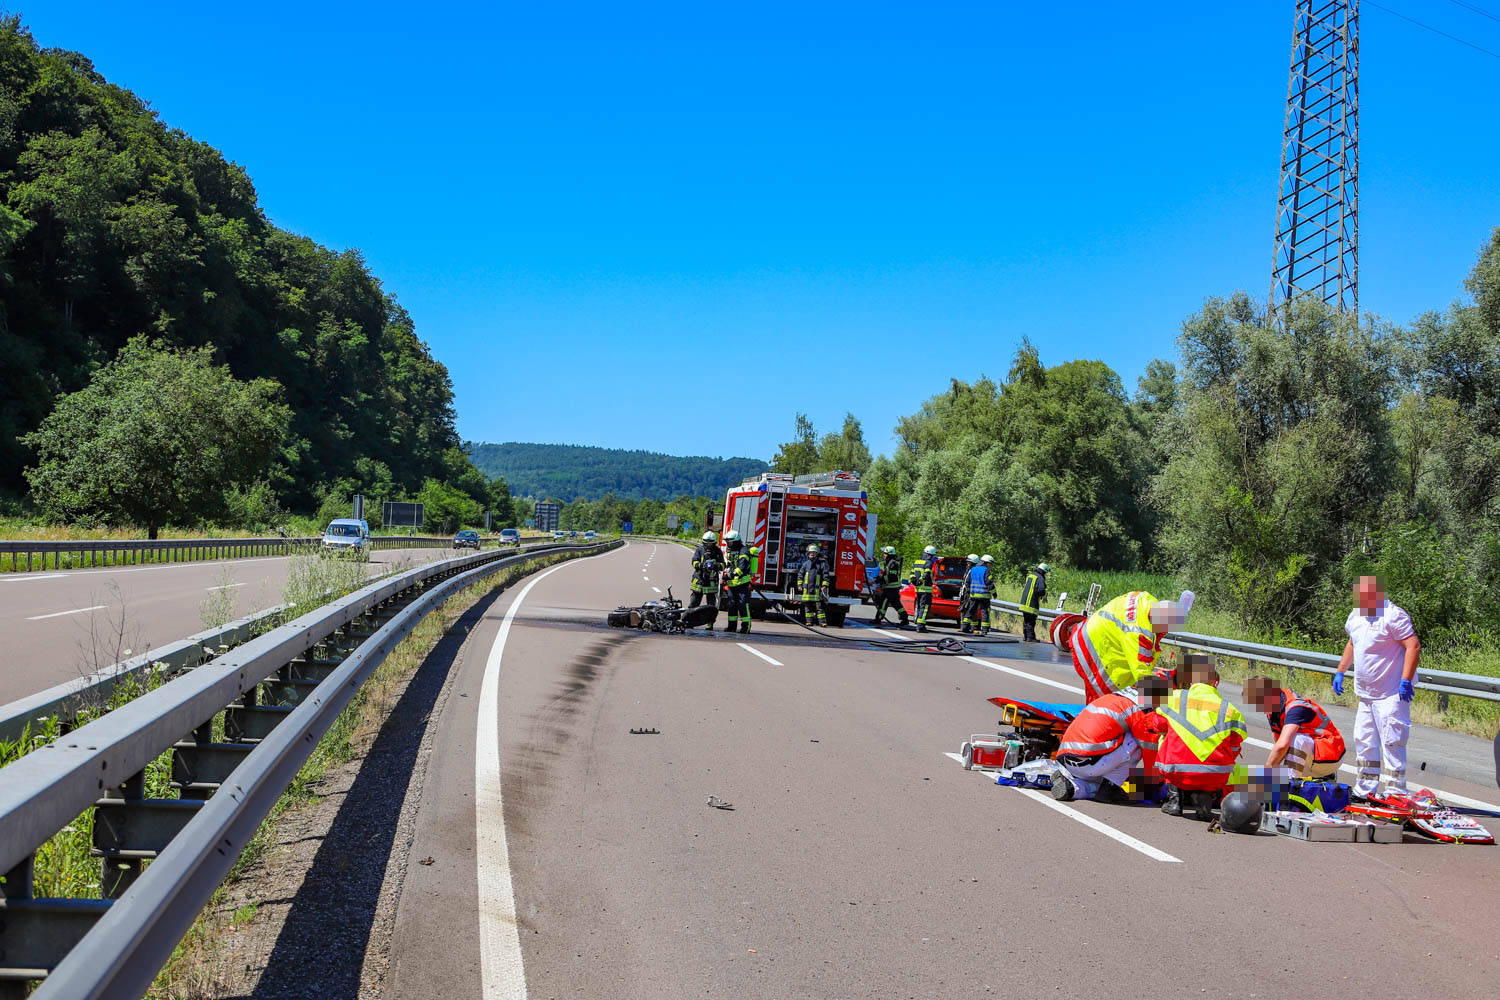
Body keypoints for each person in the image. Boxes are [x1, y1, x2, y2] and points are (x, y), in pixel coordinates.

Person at [1334, 575, 1420, 798]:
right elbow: (1352, 643)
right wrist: (1341, 671)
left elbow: (1413, 646)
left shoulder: (1393, 615)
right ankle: (1365, 788)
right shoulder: (1357, 615)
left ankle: (1395, 791)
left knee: (1392, 741)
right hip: (1366, 693)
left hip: (1391, 692)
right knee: (1363, 739)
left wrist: (1406, 680)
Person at [1053, 675, 1170, 803]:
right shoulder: (1140, 709)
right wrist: (1157, 785)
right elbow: (1150, 753)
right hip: (1090, 763)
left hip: (1069, 759)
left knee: (1097, 783)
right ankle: (1110, 789)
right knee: (1137, 739)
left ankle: (1073, 787)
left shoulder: (1114, 697)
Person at [1157, 654, 1246, 819]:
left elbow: (1156, 724)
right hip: (1215, 774)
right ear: (1216, 683)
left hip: (1177, 770)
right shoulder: (1230, 709)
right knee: (1226, 747)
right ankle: (1204, 798)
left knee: (1165, 734)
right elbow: (1236, 743)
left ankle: (1175, 799)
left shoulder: (1174, 698)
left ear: (1192, 682)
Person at [1070, 589, 1195, 702]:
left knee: (1116, 692)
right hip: (1089, 646)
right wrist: (1167, 700)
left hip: (1095, 632)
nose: (1164, 633)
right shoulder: (1139, 633)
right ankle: (1094, 721)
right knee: (1107, 697)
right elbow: (1142, 675)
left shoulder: (1146, 599)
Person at [1243, 675, 1346, 779]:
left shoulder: (1295, 707)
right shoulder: (1273, 710)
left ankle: (1293, 783)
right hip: (1313, 754)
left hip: (1331, 754)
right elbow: (1279, 750)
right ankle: (1301, 783)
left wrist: (1265, 774)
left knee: (1297, 740)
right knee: (1265, 776)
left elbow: (1283, 745)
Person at [721, 529, 754, 634]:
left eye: (729, 542)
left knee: (743, 605)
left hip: (742, 584)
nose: (728, 544)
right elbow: (729, 565)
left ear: (735, 541)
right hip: (732, 584)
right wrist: (725, 572)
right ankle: (731, 627)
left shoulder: (743, 551)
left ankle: (745, 628)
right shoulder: (730, 550)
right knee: (732, 606)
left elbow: (742, 568)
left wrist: (731, 574)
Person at [688, 531, 723, 627]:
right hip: (699, 580)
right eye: (706, 543)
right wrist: (701, 565)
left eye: (710, 544)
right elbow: (694, 561)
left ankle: (710, 624)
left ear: (714, 543)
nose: (708, 546)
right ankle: (690, 622)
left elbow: (723, 565)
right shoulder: (699, 550)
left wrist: (715, 566)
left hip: (711, 582)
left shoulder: (717, 551)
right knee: (694, 603)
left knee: (711, 605)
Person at [870, 546, 909, 626]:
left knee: (883, 603)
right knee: (896, 604)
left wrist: (881, 579)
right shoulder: (889, 562)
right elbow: (887, 575)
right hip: (891, 588)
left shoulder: (893, 563)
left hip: (891, 588)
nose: (884, 555)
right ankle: (905, 619)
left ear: (888, 554)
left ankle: (878, 619)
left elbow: (891, 577)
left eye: (885, 553)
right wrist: (880, 578)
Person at [798, 542, 832, 626]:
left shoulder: (822, 564)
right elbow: (800, 574)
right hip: (807, 590)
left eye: (814, 553)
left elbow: (825, 575)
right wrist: (799, 585)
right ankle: (809, 621)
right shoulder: (805, 564)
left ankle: (822, 622)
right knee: (808, 608)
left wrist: (824, 585)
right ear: (808, 554)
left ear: (817, 554)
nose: (812, 554)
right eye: (810, 553)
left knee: (819, 608)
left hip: (817, 590)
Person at [960, 555, 995, 635]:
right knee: (984, 612)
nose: (991, 566)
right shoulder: (986, 570)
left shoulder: (973, 569)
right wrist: (994, 593)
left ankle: (964, 627)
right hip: (984, 596)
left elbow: (967, 582)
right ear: (986, 563)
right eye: (990, 563)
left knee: (970, 610)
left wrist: (969, 592)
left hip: (973, 595)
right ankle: (984, 630)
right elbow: (989, 583)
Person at [1018, 563, 1049, 642]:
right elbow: (1041, 590)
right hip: (1032, 603)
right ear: (1043, 572)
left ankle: (1026, 636)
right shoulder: (1040, 578)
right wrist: (1043, 595)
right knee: (1031, 621)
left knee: (1026, 620)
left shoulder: (1030, 576)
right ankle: (1030, 637)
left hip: (1024, 602)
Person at [912, 545, 938, 633]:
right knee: (925, 608)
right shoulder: (928, 563)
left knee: (919, 607)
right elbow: (926, 574)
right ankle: (921, 626)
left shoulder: (917, 562)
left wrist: (915, 582)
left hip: (918, 589)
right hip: (926, 590)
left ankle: (919, 625)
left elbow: (912, 574)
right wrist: (922, 580)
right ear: (930, 555)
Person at [956, 554, 980, 633]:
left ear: (974, 563)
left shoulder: (974, 571)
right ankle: (963, 627)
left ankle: (974, 628)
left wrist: (970, 592)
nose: (967, 563)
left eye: (969, 562)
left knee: (972, 610)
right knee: (963, 610)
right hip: (964, 593)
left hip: (971, 593)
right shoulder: (967, 570)